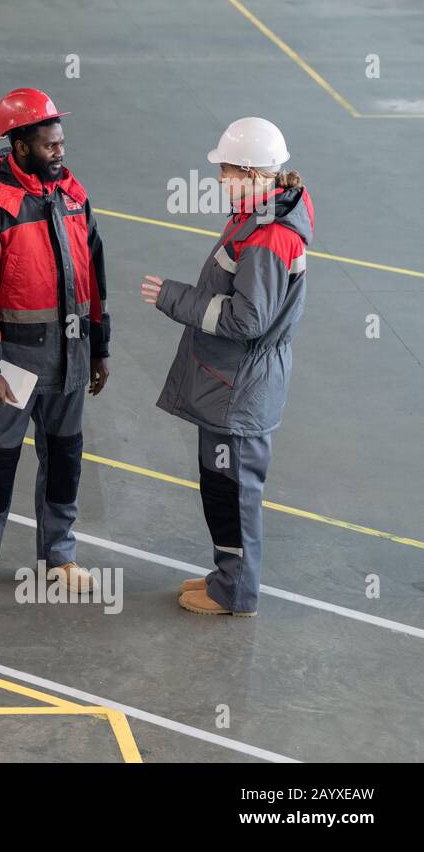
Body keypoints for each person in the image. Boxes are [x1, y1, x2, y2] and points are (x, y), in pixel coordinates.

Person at [141, 117, 313, 617]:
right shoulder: (257, 216)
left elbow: (246, 319)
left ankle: (236, 591)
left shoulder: (268, 237)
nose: (221, 180)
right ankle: (227, 576)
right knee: (221, 485)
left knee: (234, 491)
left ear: (256, 174)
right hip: (229, 386)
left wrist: (175, 298)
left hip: (238, 389)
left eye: (229, 171)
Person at [0, 87, 111, 599]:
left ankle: (59, 556)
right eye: (49, 145)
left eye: (61, 143)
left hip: (71, 359)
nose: (60, 152)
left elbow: (95, 283)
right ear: (19, 147)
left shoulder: (75, 200)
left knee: (65, 459)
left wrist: (99, 348)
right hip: (13, 363)